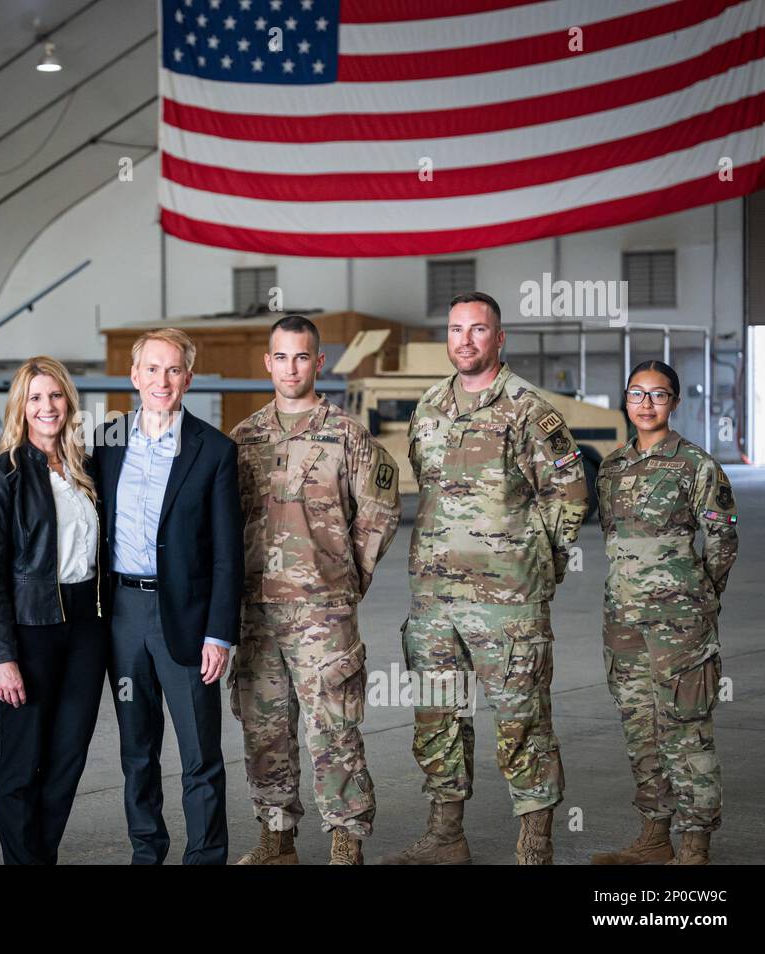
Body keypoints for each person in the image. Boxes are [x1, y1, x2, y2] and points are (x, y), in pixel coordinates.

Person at [384, 292, 587, 866]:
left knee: (522, 720)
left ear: (500, 339)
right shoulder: (427, 407)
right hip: (435, 602)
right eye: (455, 329)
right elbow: (427, 488)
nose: (465, 340)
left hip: (508, 603)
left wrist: (536, 567)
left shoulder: (528, 409)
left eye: (478, 330)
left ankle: (535, 844)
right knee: (436, 718)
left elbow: (569, 496)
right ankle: (447, 837)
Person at [228, 315, 401, 866]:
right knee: (264, 729)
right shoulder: (244, 438)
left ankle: (345, 841)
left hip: (323, 613)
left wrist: (348, 578)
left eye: (302, 357)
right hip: (256, 612)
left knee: (335, 730)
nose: (291, 367)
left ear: (318, 362)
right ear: (267, 363)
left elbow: (379, 510)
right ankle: (277, 841)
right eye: (281, 357)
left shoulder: (346, 435)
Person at [92, 328, 243, 865]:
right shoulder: (104, 445)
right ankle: (146, 851)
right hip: (123, 615)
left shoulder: (215, 450)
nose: (162, 380)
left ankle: (205, 857)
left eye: (174, 370)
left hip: (187, 618)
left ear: (189, 379)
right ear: (134, 377)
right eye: (152, 369)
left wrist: (219, 633)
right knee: (137, 749)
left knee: (200, 753)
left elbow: (228, 553)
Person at [591, 361, 736, 867]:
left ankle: (695, 845)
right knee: (640, 727)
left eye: (658, 394)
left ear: (674, 402)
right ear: (626, 401)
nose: (646, 403)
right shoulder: (610, 467)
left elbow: (722, 538)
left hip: (680, 624)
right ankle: (654, 837)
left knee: (686, 727)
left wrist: (700, 599)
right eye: (637, 393)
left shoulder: (697, 465)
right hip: (623, 621)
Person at [0, 357, 106, 864]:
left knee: (68, 757)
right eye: (35, 398)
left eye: (54, 396)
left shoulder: (84, 467)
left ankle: (41, 855)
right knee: (22, 759)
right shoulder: (1, 473)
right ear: (21, 407)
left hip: (86, 627)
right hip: (29, 629)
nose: (47, 407)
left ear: (68, 401)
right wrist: (3, 655)